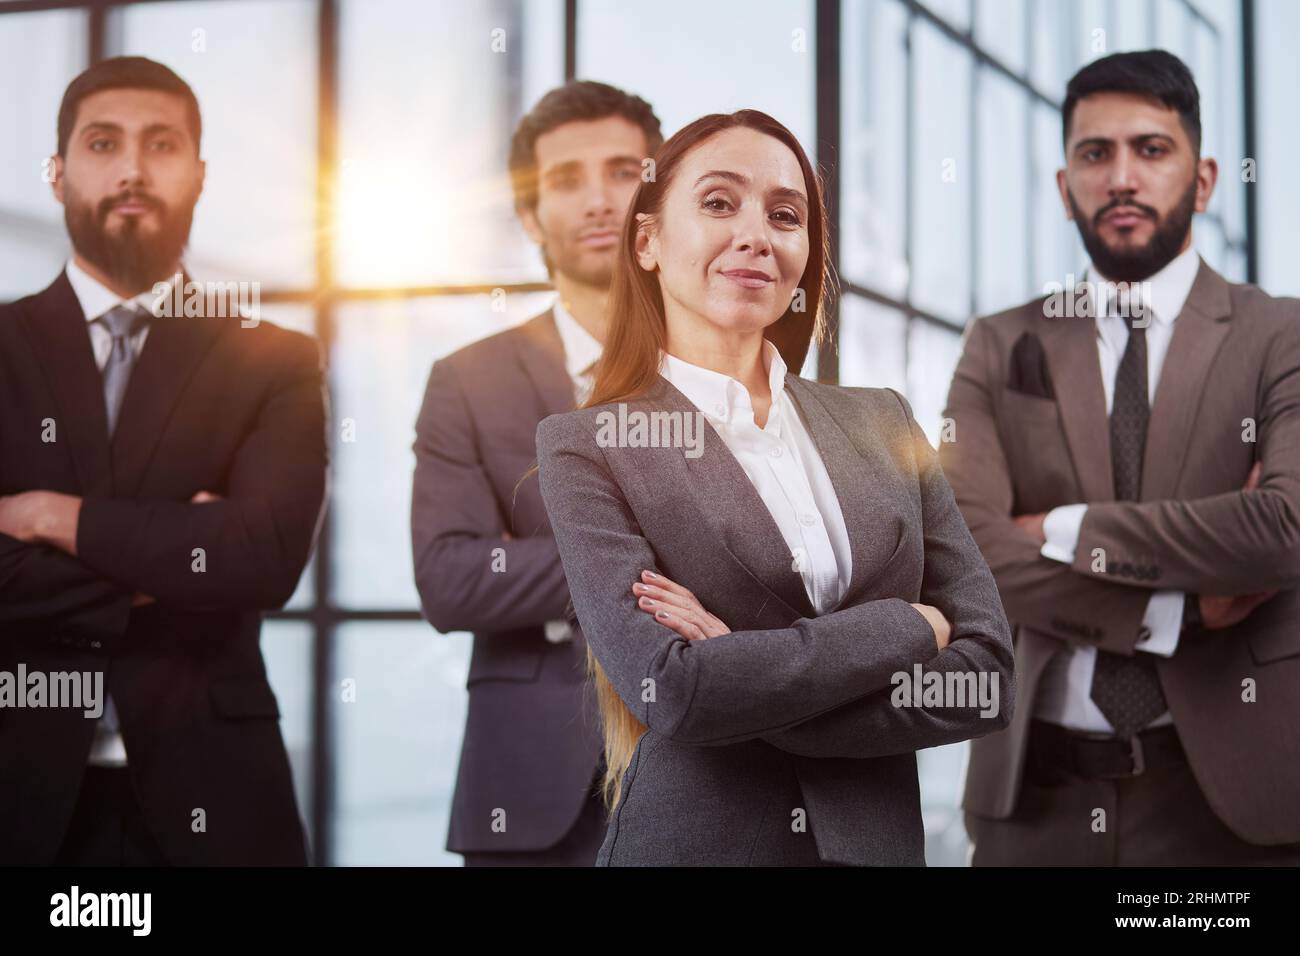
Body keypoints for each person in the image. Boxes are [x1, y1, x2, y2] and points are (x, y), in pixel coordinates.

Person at [534, 109, 1014, 866]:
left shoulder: (882, 420)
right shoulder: (589, 446)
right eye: (719, 203)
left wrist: (746, 669)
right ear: (648, 241)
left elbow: (986, 680)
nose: (756, 234)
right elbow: (677, 692)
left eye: (785, 215)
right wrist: (911, 627)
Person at [946, 49, 1300, 865]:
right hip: (1034, 805)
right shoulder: (1001, 343)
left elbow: (1282, 529)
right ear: (1066, 186)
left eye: (1151, 149)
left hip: (1231, 804)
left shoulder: (1278, 334)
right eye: (1094, 154)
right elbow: (967, 553)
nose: (1122, 178)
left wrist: (1062, 527)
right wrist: (1175, 611)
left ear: (1204, 180)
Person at [0, 56, 327, 865]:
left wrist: (49, 519)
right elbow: (220, 553)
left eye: (162, 146)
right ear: (56, 171)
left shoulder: (272, 356)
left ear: (200, 174)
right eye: (103, 144)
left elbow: (260, 561)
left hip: (215, 788)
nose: (133, 171)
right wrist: (183, 548)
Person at [411, 81, 662, 865]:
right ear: (529, 216)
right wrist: (645, 559)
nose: (597, 200)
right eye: (565, 179)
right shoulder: (466, 379)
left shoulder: (726, 370)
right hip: (526, 791)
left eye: (624, 171)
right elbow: (450, 578)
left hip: (709, 769)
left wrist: (541, 563)